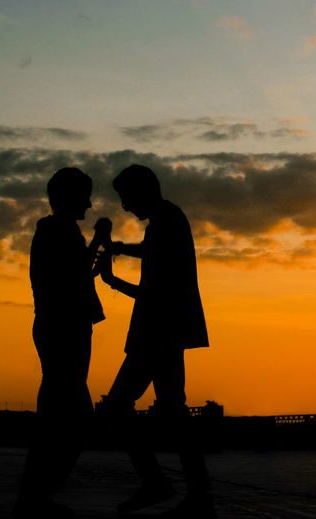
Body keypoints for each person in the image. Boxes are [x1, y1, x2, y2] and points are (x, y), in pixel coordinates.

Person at [96, 164, 212, 517]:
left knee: (117, 407)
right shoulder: (168, 220)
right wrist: (119, 250)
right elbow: (154, 257)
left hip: (156, 334)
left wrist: (113, 279)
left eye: (127, 199)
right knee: (175, 413)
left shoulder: (166, 222)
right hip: (168, 332)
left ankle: (157, 482)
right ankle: (198, 496)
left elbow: (152, 291)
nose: (126, 207)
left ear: (141, 193)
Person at [14, 167, 108, 518]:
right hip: (63, 327)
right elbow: (75, 274)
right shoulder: (56, 230)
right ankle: (36, 496)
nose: (89, 202)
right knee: (70, 415)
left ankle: (36, 494)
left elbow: (76, 272)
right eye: (84, 195)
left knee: (60, 413)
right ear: (69, 198)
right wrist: (99, 238)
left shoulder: (58, 230)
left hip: (62, 326)